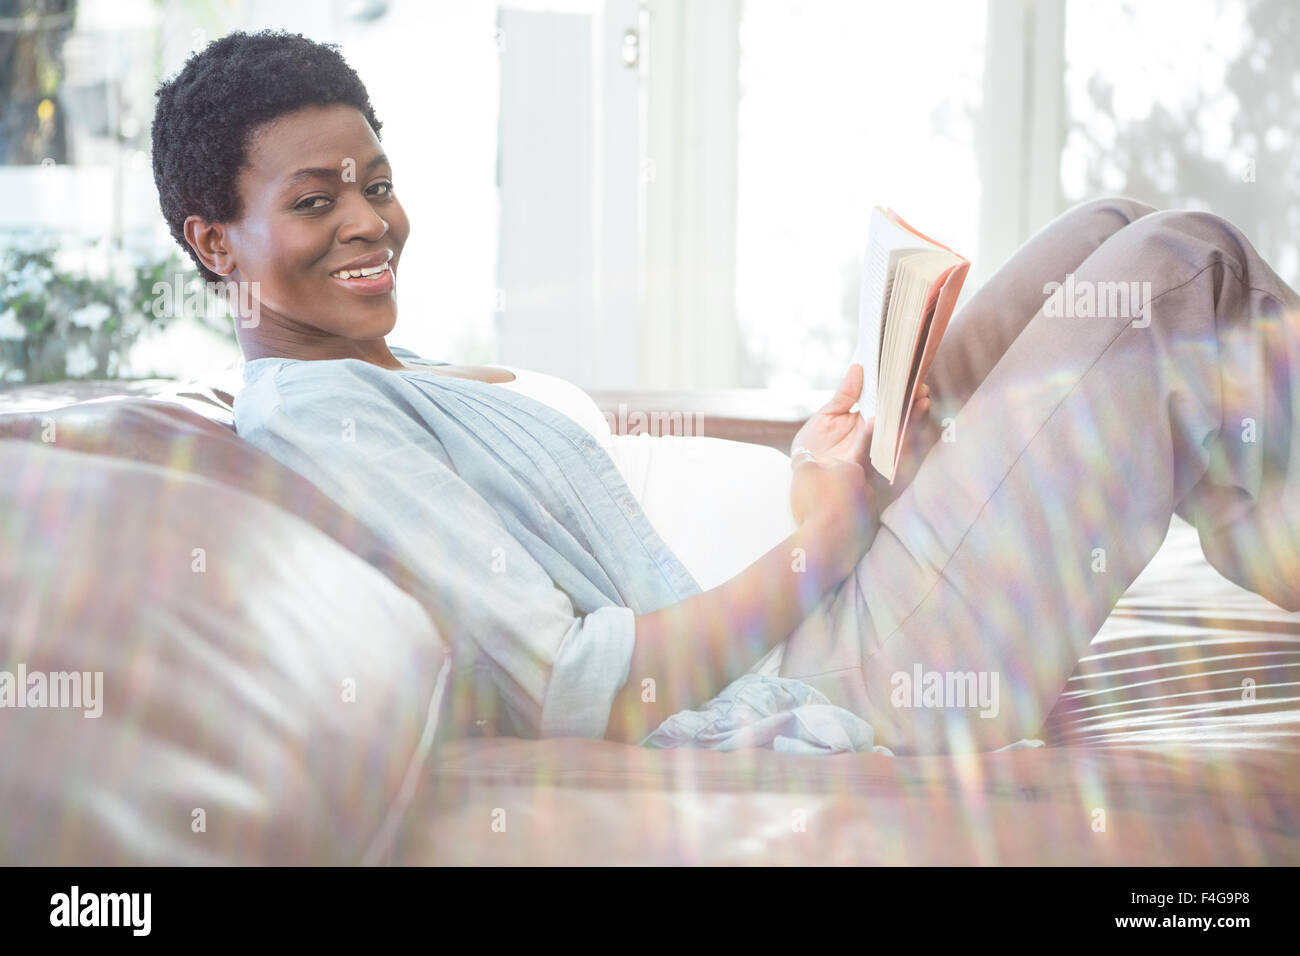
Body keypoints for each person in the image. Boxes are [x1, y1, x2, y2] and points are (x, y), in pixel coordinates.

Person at [152, 31, 1300, 755]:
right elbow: (572, 683)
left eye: (378, 184)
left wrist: (832, 470)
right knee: (1181, 268)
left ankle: (1271, 527)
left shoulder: (383, 372)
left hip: (832, 574)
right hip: (848, 664)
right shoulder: (322, 420)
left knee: (1107, 231)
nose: (369, 222)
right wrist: (820, 540)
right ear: (215, 241)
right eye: (315, 202)